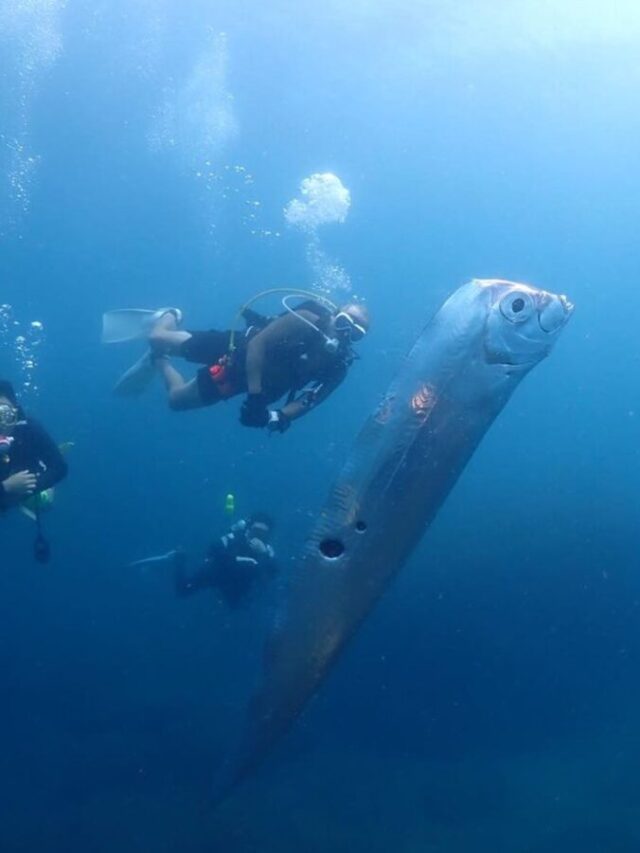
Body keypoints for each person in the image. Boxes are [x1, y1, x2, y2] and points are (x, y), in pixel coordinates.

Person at [103, 296, 370, 433]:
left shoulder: (338, 366)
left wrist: (277, 416)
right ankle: (170, 315)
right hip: (236, 351)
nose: (345, 333)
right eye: (344, 322)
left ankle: (157, 359)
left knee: (176, 401)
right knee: (156, 337)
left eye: (355, 333)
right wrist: (255, 396)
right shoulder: (306, 319)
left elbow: (311, 400)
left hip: (241, 381)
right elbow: (258, 345)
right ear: (334, 315)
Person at [130, 513, 277, 609]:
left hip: (238, 586)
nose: (258, 536)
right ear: (248, 529)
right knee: (183, 590)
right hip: (218, 574)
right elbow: (213, 550)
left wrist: (263, 553)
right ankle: (178, 559)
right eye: (256, 531)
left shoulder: (267, 550)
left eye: (263, 533)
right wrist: (235, 559)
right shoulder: (235, 538)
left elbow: (274, 571)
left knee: (236, 606)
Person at [0, 380, 68, 562]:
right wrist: (7, 487)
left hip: (26, 483)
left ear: (15, 412)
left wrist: (29, 486)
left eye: (4, 414)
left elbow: (60, 467)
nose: (0, 424)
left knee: (45, 501)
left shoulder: (29, 428)